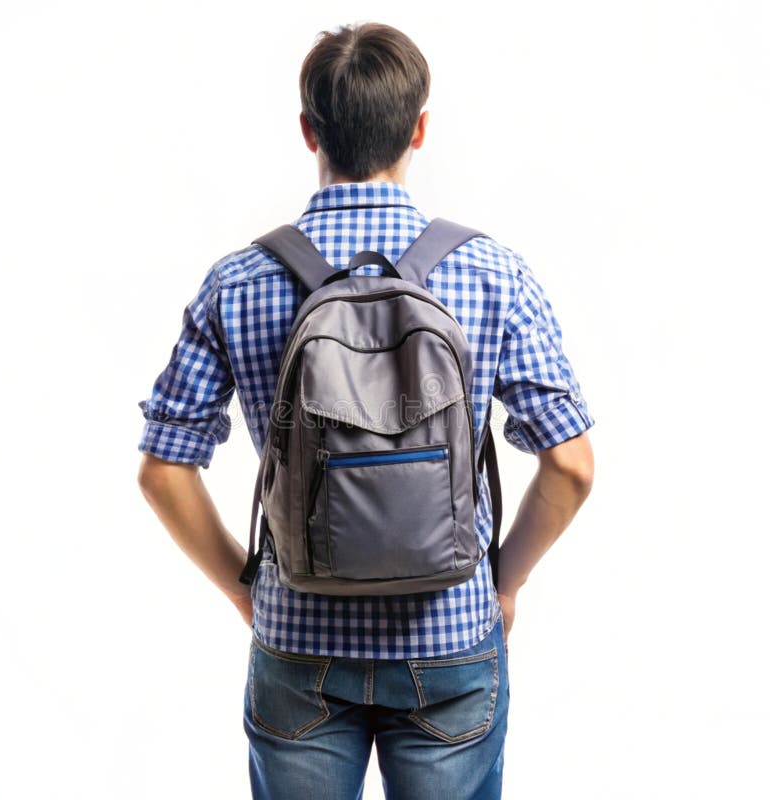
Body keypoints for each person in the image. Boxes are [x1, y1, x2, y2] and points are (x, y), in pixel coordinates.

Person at [136, 21, 595, 800]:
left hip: (298, 637)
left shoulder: (239, 281)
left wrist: (246, 586)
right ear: (419, 128)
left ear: (308, 130)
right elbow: (571, 466)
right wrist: (502, 583)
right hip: (450, 638)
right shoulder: (492, 274)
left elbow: (162, 471)